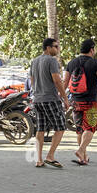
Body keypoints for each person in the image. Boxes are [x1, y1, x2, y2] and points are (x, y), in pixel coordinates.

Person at [65, 38, 97, 165]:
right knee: (90, 127)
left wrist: (64, 98)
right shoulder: (95, 63)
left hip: (75, 101)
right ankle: (81, 150)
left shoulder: (71, 63)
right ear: (91, 49)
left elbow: (64, 83)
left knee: (80, 129)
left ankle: (83, 157)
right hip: (90, 102)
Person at [28, 37, 67, 168]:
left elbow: (32, 81)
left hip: (37, 100)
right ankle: (50, 155)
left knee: (41, 129)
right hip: (50, 99)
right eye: (55, 46)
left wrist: (37, 92)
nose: (57, 49)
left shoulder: (34, 61)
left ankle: (39, 160)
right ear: (48, 48)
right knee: (60, 127)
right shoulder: (51, 60)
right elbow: (57, 80)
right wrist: (65, 98)